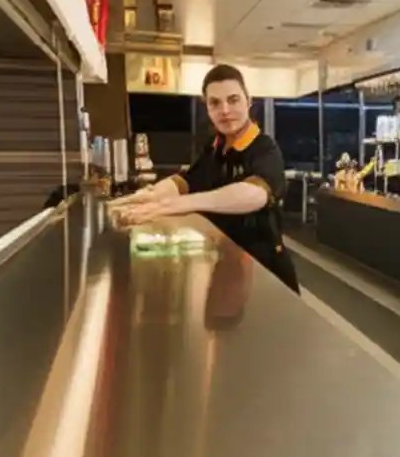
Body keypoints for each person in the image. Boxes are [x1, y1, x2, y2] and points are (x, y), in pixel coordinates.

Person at [110, 64, 299, 292]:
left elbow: (255, 193)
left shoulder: (264, 148)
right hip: (226, 266)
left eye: (233, 100)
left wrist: (181, 204)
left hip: (266, 274)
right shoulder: (214, 147)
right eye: (215, 103)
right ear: (207, 109)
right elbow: (186, 181)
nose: (225, 110)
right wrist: (147, 196)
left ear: (249, 102)